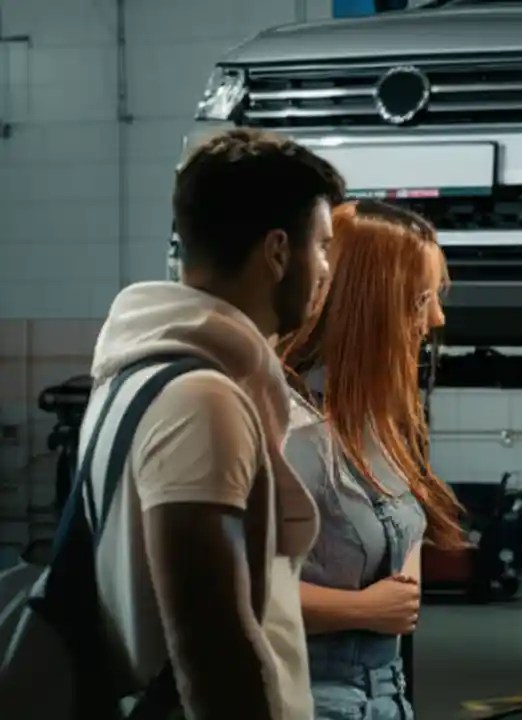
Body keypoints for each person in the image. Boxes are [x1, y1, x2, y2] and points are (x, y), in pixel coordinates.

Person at [81, 128, 345, 718]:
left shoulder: (137, 371)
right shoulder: (202, 399)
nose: (326, 269)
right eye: (323, 246)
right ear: (278, 252)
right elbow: (211, 648)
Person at [278, 199, 466, 720]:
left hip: (384, 695)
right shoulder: (289, 431)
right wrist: (358, 609)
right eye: (421, 300)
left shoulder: (373, 424)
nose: (436, 319)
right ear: (371, 307)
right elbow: (227, 595)